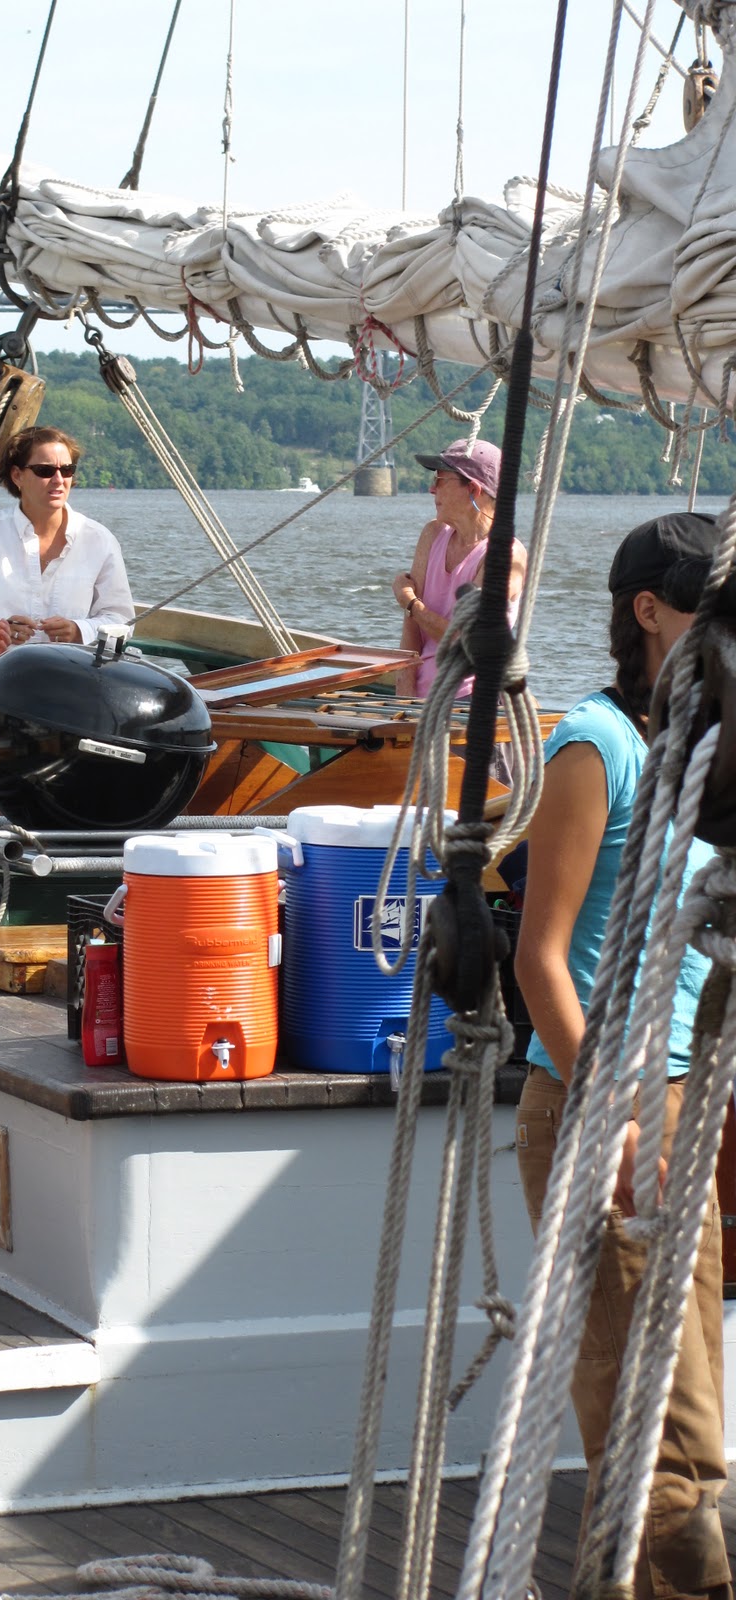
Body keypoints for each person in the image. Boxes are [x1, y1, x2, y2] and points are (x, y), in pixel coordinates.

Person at [514, 511, 730, 1600]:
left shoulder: (712, 751)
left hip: (689, 1104)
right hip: (602, 1107)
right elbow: (540, 958)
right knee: (666, 1444)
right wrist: (618, 1106)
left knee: (688, 1430)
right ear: (649, 611)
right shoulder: (599, 744)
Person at [0, 425, 135, 692]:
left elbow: (120, 620)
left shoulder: (100, 540)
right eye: (44, 471)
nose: (58, 479)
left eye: (67, 470)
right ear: (17, 475)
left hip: (73, 694)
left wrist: (79, 630)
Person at [391, 437, 527, 701]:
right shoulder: (432, 534)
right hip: (422, 698)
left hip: (474, 702)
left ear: (473, 490)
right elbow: (411, 630)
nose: (432, 489)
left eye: (440, 480)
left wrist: (409, 603)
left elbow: (466, 640)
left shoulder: (505, 556)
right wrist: (404, 697)